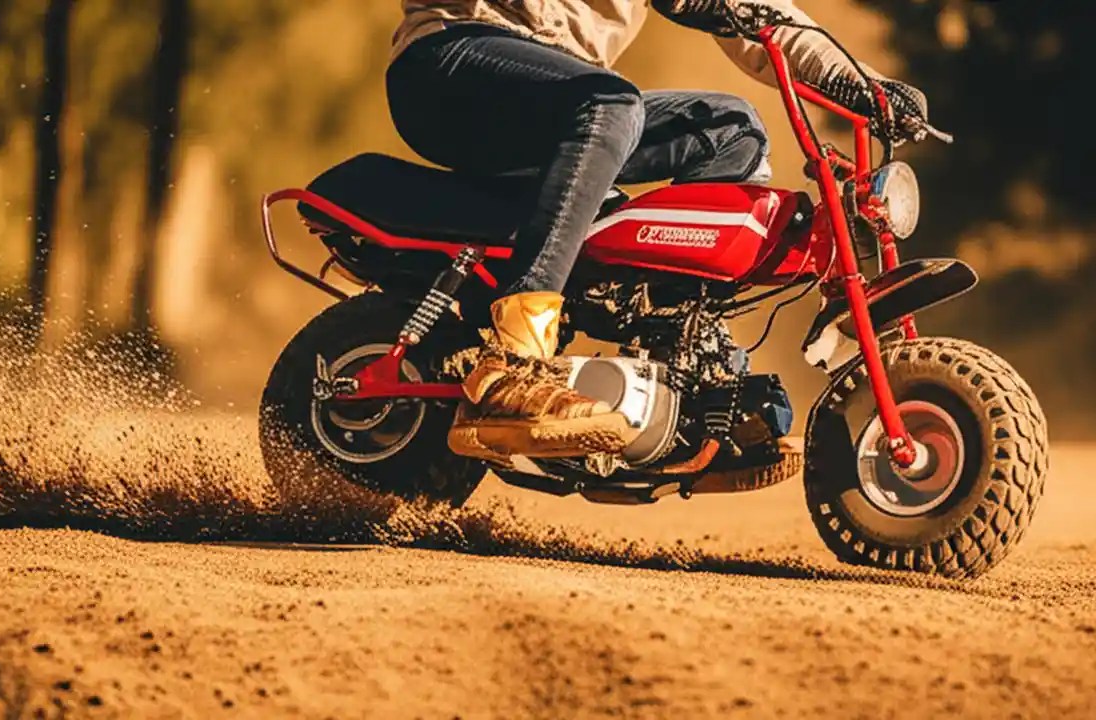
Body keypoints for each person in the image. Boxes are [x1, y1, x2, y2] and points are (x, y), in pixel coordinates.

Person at [386, 0, 929, 461]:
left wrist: (862, 84)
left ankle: (684, 382)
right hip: (453, 60)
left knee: (731, 131)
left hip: (569, 98)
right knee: (610, 104)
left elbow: (766, 18)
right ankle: (514, 361)